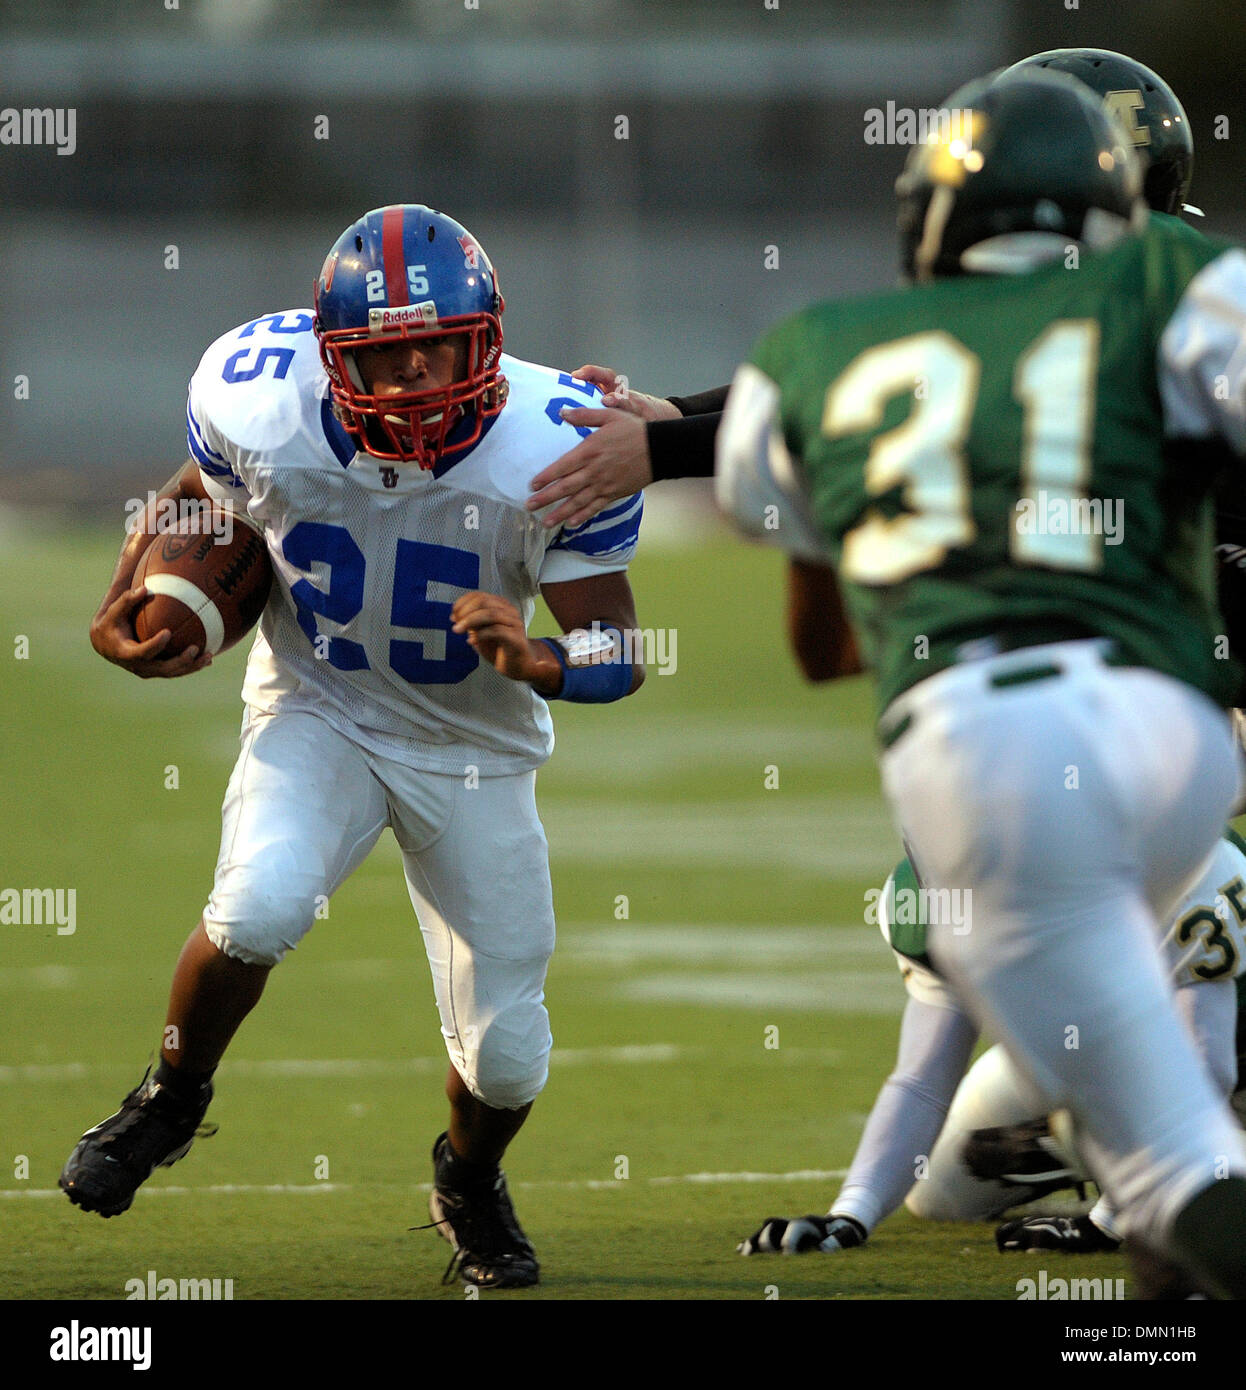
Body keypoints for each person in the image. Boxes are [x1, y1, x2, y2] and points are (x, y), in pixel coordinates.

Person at [715, 68, 1246, 1297]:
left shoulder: (814, 349)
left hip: (995, 758)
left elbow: (819, 647)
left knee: (1166, 1167)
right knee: (1151, 1146)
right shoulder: (1174, 283)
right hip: (1180, 733)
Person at [59, 204, 646, 1291]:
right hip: (316, 703)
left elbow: (626, 641)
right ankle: (170, 1098)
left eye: (441, 348)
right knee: (258, 905)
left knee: (509, 1055)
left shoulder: (558, 437)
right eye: (385, 358)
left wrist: (547, 660)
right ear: (333, 363)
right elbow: (207, 495)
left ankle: (466, 1180)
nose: (418, 376)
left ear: (490, 339)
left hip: (474, 745)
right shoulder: (254, 394)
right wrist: (129, 589)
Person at [522, 48, 1210, 531]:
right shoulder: (1181, 297)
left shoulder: (1158, 298)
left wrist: (660, 445)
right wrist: (671, 418)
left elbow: (845, 390)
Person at [738, 833, 1246, 1259]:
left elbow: (1205, 1067)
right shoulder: (933, 902)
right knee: (936, 1191)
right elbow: (921, 1080)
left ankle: (1102, 1147)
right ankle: (1077, 1140)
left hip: (1218, 1068)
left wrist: (1110, 1221)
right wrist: (850, 1213)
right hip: (1103, 1059)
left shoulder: (1166, 863)